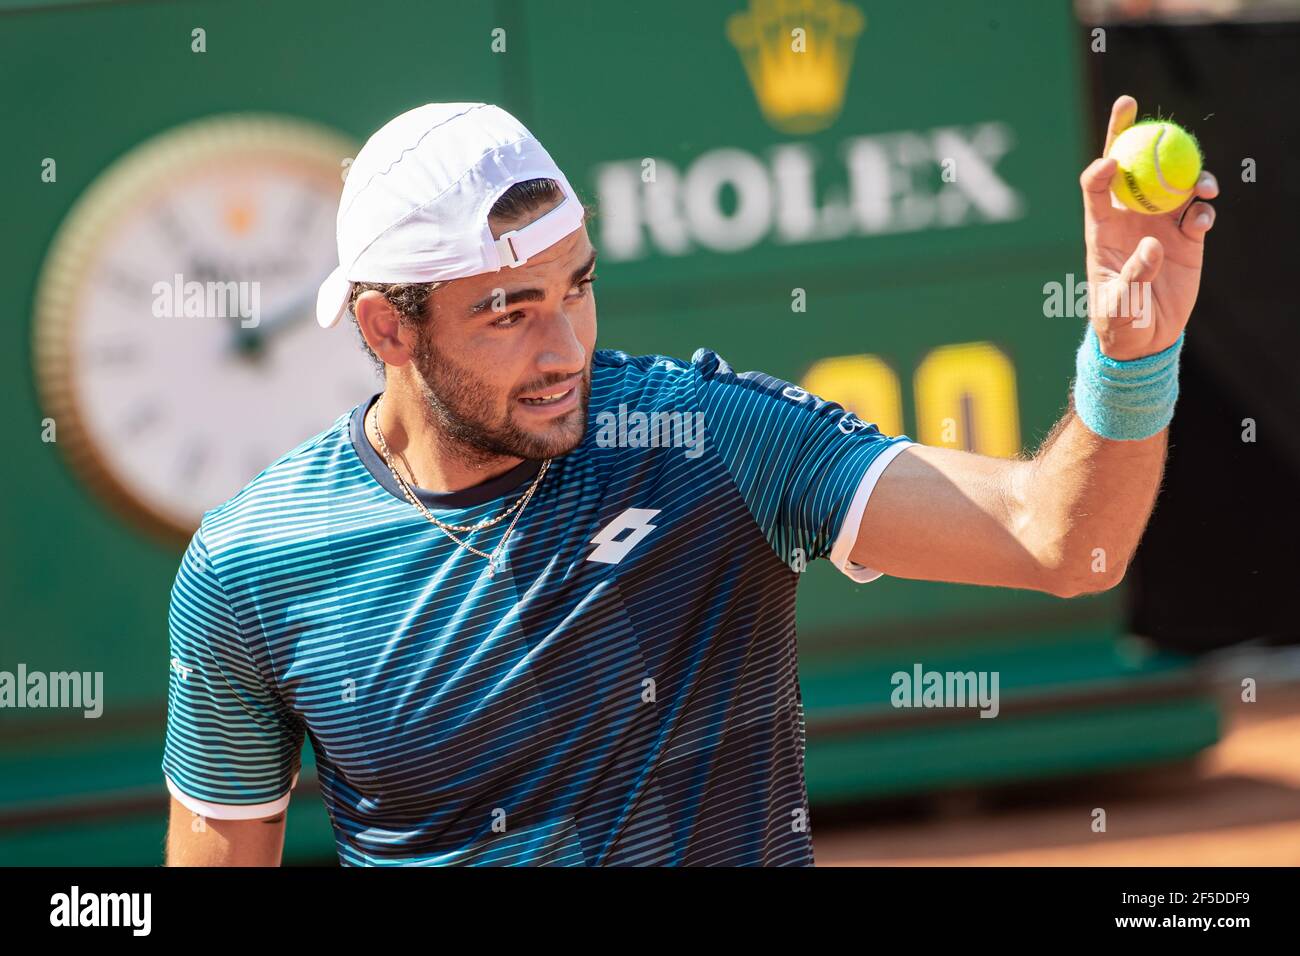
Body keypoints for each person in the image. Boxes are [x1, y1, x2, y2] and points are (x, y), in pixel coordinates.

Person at [163, 98, 1217, 866]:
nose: (564, 345)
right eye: (508, 310)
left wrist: (1129, 358)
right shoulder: (253, 565)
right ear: (386, 327)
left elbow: (1057, 542)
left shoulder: (706, 437)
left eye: (577, 289)